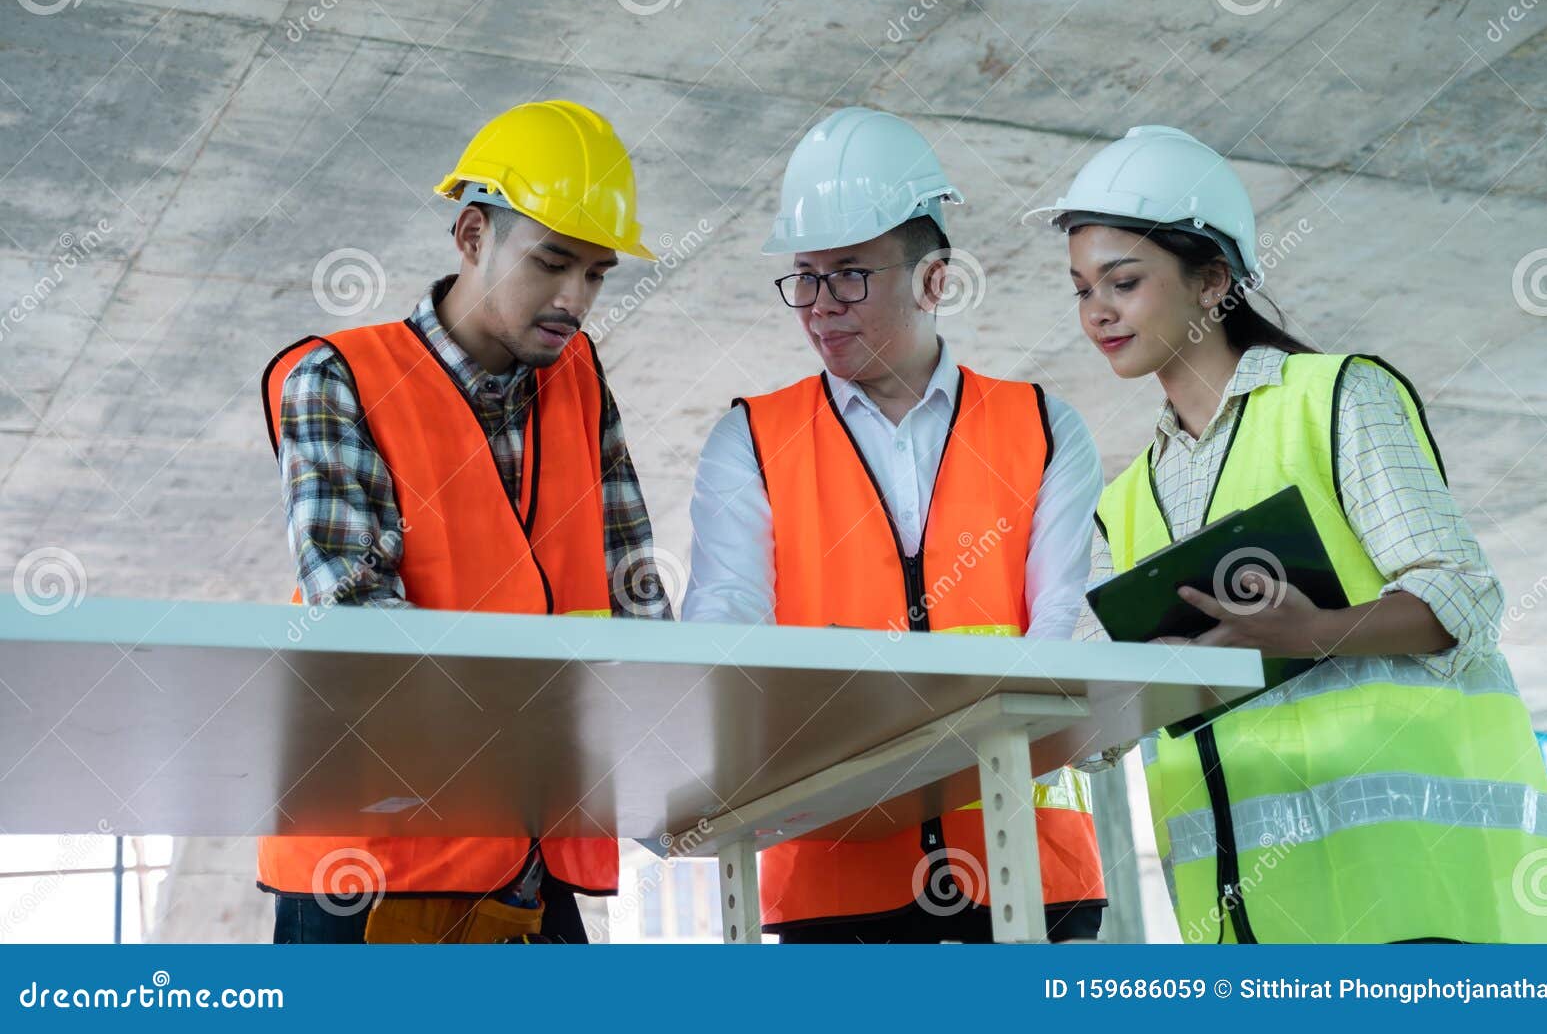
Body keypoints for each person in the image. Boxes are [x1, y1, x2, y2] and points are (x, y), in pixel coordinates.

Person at [1043, 124, 1547, 944]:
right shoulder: (1125, 500)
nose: (1099, 312)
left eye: (1123, 281)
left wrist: (1317, 632)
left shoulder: (1336, 397)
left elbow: (1463, 592)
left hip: (1415, 902)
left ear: (1212, 281)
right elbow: (1109, 721)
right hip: (1248, 932)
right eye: (1082, 289)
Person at [684, 106, 1107, 942]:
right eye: (803, 276)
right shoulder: (751, 441)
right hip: (836, 889)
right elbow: (726, 640)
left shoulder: (1044, 426)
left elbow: (1073, 625)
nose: (818, 306)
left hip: (1033, 875)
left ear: (933, 279)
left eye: (848, 276)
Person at [259, 100, 672, 943]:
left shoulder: (580, 381)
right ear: (472, 233)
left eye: (597, 273)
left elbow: (636, 596)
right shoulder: (337, 380)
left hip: (533, 861)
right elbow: (360, 622)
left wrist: (683, 759)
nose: (574, 299)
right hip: (371, 874)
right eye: (553, 261)